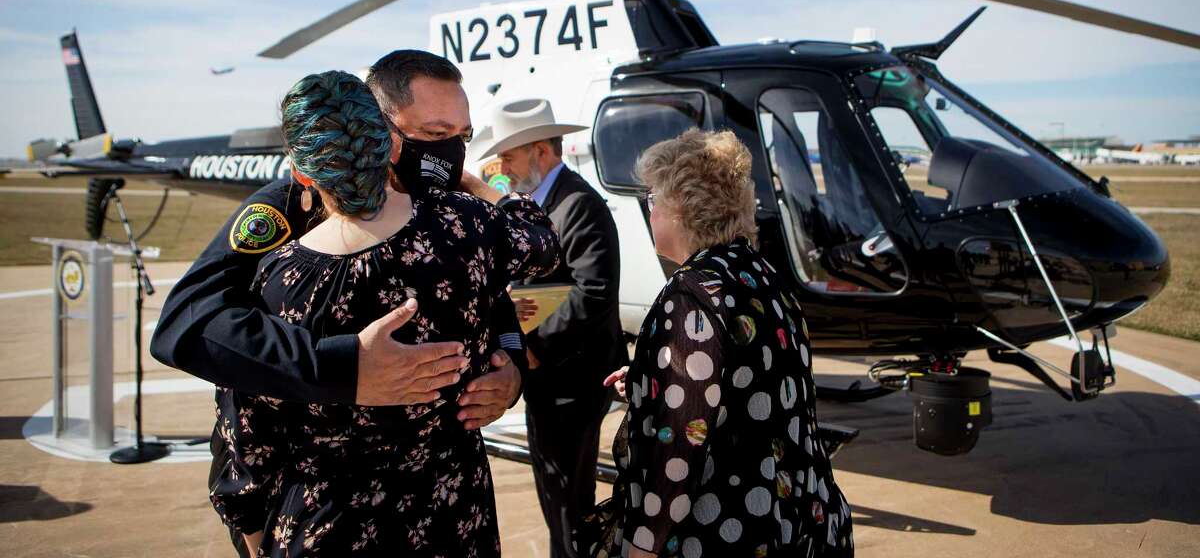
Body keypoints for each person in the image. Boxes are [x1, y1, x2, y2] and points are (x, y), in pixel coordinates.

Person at [150, 50, 536, 553]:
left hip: (440, 501)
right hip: (319, 504)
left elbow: (496, 296)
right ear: (385, 133)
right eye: (433, 134)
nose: (448, 155)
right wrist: (342, 366)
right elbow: (190, 325)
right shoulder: (289, 210)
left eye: (460, 138)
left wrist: (510, 369)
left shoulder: (454, 218)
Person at [577, 129, 853, 557]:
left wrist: (643, 544)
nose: (650, 211)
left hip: (729, 530)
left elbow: (679, 445)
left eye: (652, 199)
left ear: (680, 205)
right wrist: (652, 376)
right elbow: (748, 376)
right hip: (796, 520)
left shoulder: (693, 294)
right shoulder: (761, 275)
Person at [476, 98, 625, 558]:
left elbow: (594, 292)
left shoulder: (578, 205)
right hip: (552, 377)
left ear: (540, 151)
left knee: (567, 504)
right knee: (556, 495)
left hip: (572, 380)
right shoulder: (541, 202)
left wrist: (534, 345)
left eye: (509, 157)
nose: (502, 168)